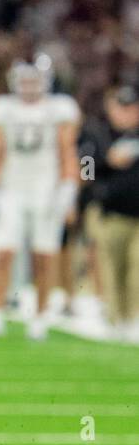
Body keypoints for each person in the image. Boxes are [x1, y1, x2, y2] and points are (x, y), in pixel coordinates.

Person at [0, 59, 80, 340]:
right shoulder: (3, 109)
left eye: (34, 81)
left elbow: (67, 151)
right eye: (25, 80)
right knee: (1, 254)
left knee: (43, 256)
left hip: (45, 189)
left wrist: (68, 188)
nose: (30, 87)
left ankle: (41, 316)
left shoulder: (59, 109)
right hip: (11, 188)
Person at [95, 85, 139, 341]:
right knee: (113, 267)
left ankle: (134, 317)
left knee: (137, 265)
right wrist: (106, 162)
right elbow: (85, 168)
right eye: (122, 107)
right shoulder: (100, 134)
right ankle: (116, 317)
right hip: (113, 212)